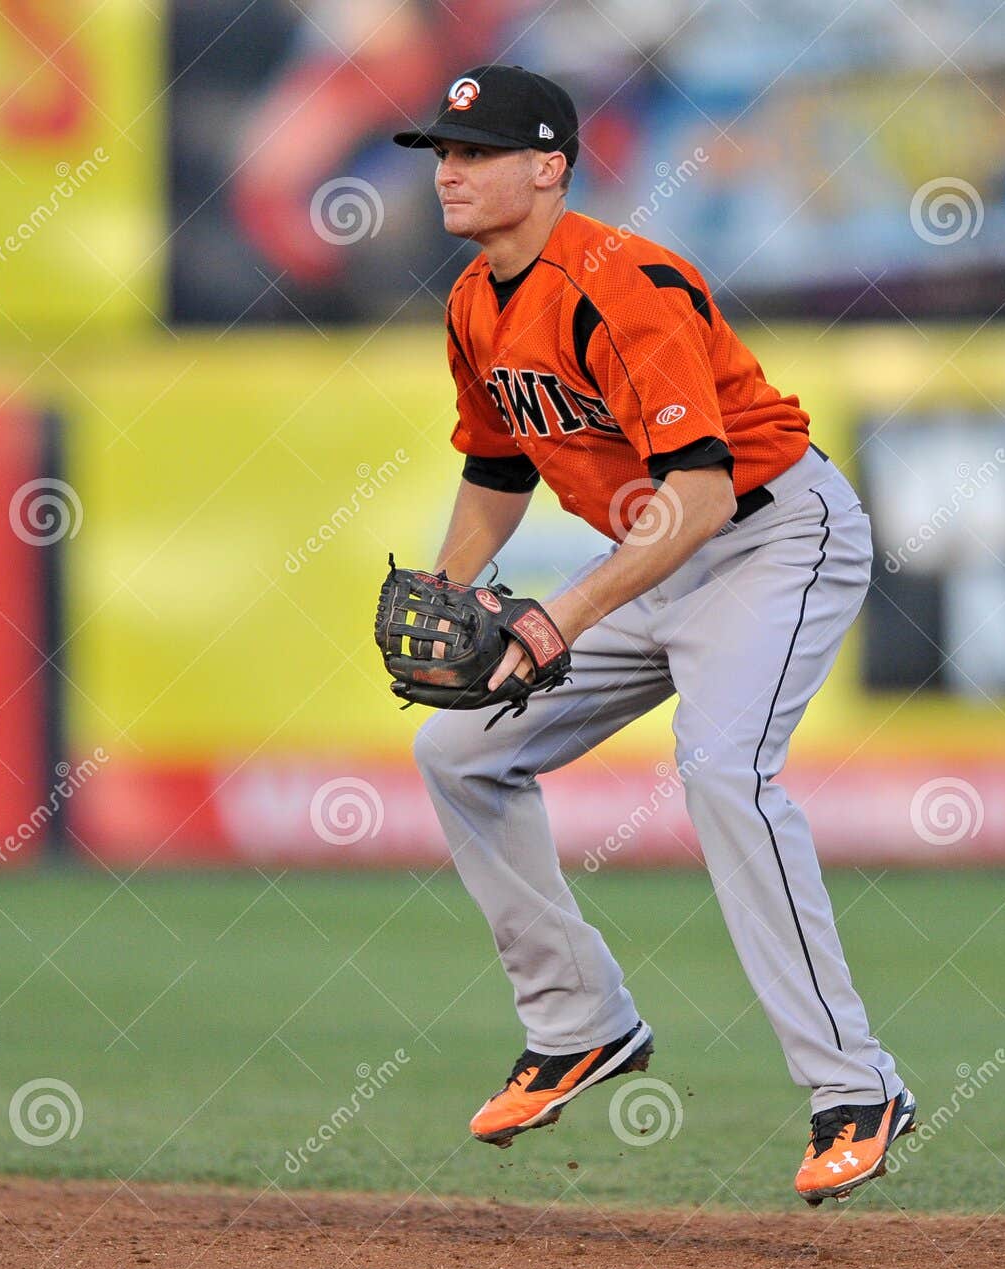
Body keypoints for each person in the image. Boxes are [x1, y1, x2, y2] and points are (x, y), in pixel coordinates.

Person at [392, 64, 915, 1203]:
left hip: (772, 533)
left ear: (549, 167)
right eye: (441, 151)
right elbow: (495, 467)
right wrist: (447, 586)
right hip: (652, 551)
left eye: (475, 152)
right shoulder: (476, 302)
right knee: (458, 752)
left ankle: (854, 1085)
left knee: (723, 769)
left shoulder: (620, 284)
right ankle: (578, 1021)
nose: (448, 171)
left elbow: (704, 495)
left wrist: (557, 616)